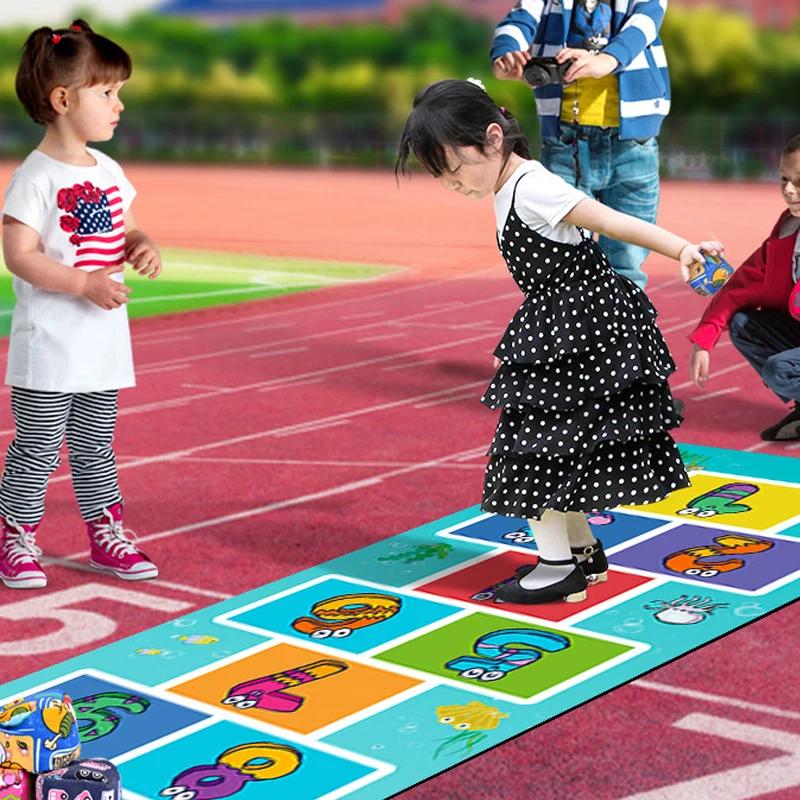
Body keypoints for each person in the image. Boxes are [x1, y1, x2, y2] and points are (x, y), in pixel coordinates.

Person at [396, 79, 722, 604]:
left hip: (579, 328)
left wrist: (683, 249)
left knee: (532, 451)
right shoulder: (508, 184)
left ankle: (558, 567)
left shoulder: (533, 186)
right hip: (567, 324)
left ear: (494, 138)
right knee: (553, 448)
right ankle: (582, 554)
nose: (451, 185)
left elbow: (613, 220)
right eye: (440, 177)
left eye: (453, 169)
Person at [0, 19, 162, 589]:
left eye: (120, 92)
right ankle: (16, 536)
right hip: (50, 346)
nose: (120, 104)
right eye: (108, 92)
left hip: (101, 346)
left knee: (96, 448)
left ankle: (106, 535)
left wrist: (142, 246)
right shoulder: (35, 177)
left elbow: (129, 231)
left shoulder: (111, 171)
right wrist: (82, 285)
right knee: (38, 449)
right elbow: (18, 255)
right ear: (63, 99)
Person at [491, 0, 670, 290]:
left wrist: (607, 59)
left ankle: (625, 335)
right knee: (565, 261)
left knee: (626, 264)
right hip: (565, 143)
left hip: (632, 145)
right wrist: (506, 53)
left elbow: (647, 19)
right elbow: (520, 18)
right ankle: (572, 334)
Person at [689, 134, 800, 442]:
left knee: (781, 368)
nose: (789, 190)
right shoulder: (788, 231)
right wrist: (704, 339)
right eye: (784, 179)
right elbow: (742, 284)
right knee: (744, 324)